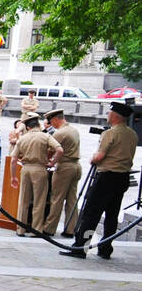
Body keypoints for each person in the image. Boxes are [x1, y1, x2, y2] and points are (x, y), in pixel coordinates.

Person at [62, 101, 138, 260]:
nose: (107, 116)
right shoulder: (132, 134)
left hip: (106, 177)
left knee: (91, 213)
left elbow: (99, 156)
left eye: (109, 113)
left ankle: (81, 246)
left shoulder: (110, 133)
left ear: (115, 116)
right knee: (112, 213)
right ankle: (105, 247)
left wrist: (93, 159)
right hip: (122, 177)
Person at [11, 116, 63, 237]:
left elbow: (13, 159)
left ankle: (20, 229)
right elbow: (60, 150)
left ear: (28, 127)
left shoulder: (22, 139)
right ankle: (36, 229)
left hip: (26, 169)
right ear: (38, 125)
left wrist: (13, 177)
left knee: (23, 200)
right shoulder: (45, 136)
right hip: (40, 169)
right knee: (39, 201)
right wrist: (52, 162)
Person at [44, 109, 82, 237]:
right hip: (76, 165)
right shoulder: (74, 130)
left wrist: (50, 162)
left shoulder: (60, 133)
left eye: (51, 121)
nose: (51, 124)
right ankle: (70, 229)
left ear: (55, 119)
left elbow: (50, 151)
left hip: (64, 167)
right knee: (72, 199)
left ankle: (49, 228)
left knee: (57, 198)